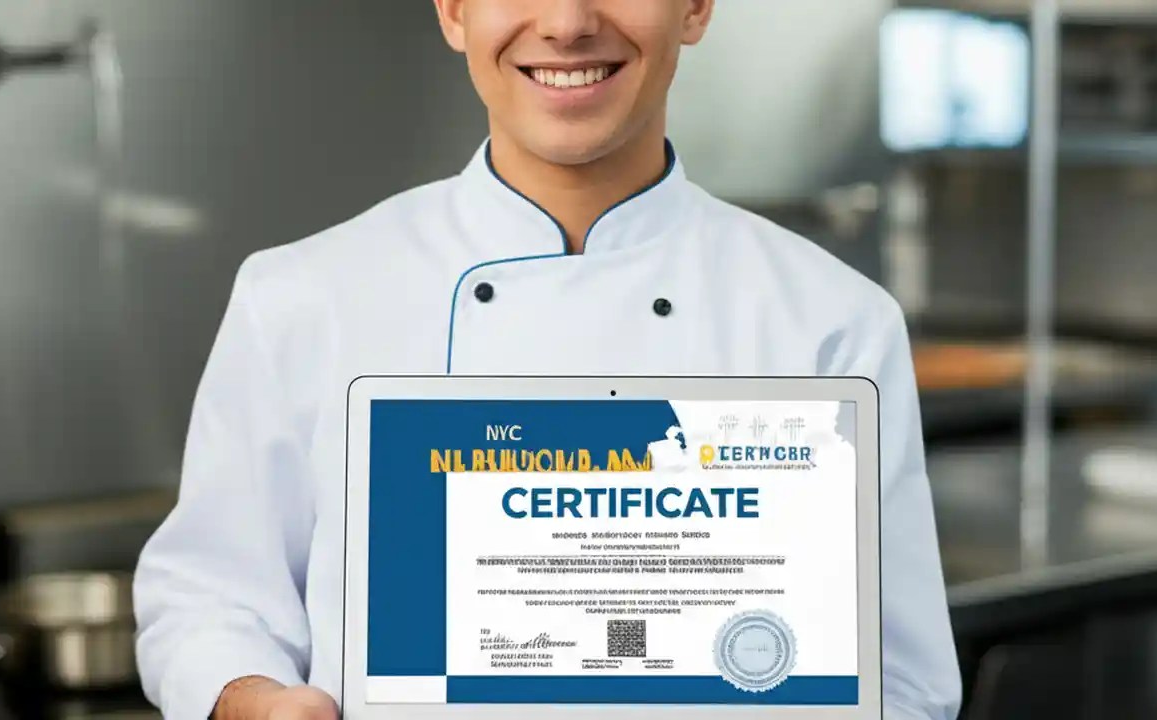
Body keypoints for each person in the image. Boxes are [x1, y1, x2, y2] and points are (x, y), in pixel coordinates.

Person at [133, 1, 963, 718]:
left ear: (697, 7)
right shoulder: (303, 296)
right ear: (454, 10)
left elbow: (900, 679)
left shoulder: (833, 322)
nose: (567, 24)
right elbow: (210, 599)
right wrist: (262, 701)